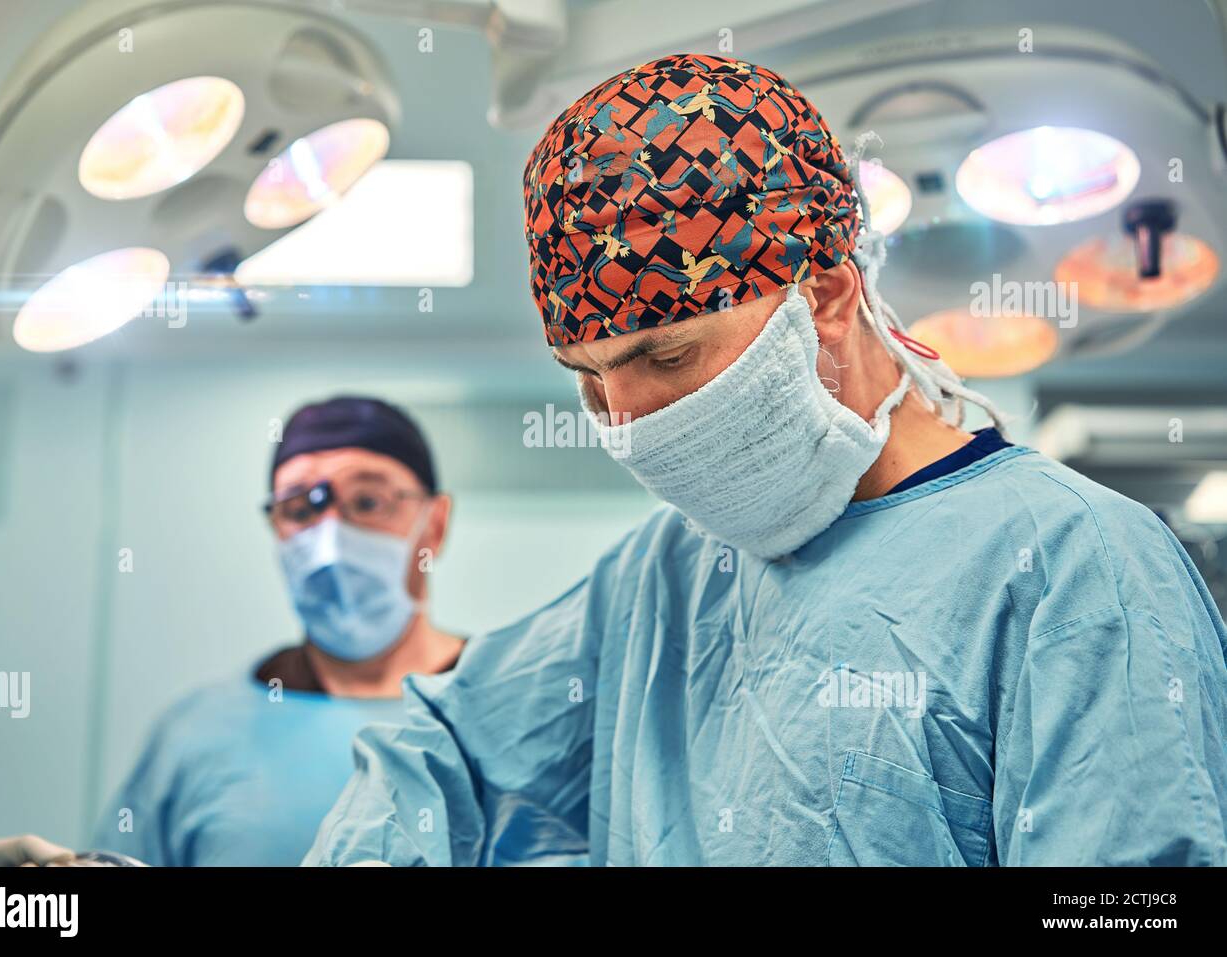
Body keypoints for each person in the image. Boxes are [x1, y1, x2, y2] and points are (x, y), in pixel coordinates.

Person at [303, 54, 1227, 866]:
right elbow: (445, 749)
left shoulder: (1076, 566)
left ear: (824, 296)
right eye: (589, 380)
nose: (628, 422)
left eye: (668, 356)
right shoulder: (662, 579)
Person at [0, 396, 463, 866]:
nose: (330, 540)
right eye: (299, 508)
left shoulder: (497, 715)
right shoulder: (198, 732)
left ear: (435, 525)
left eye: (368, 500)